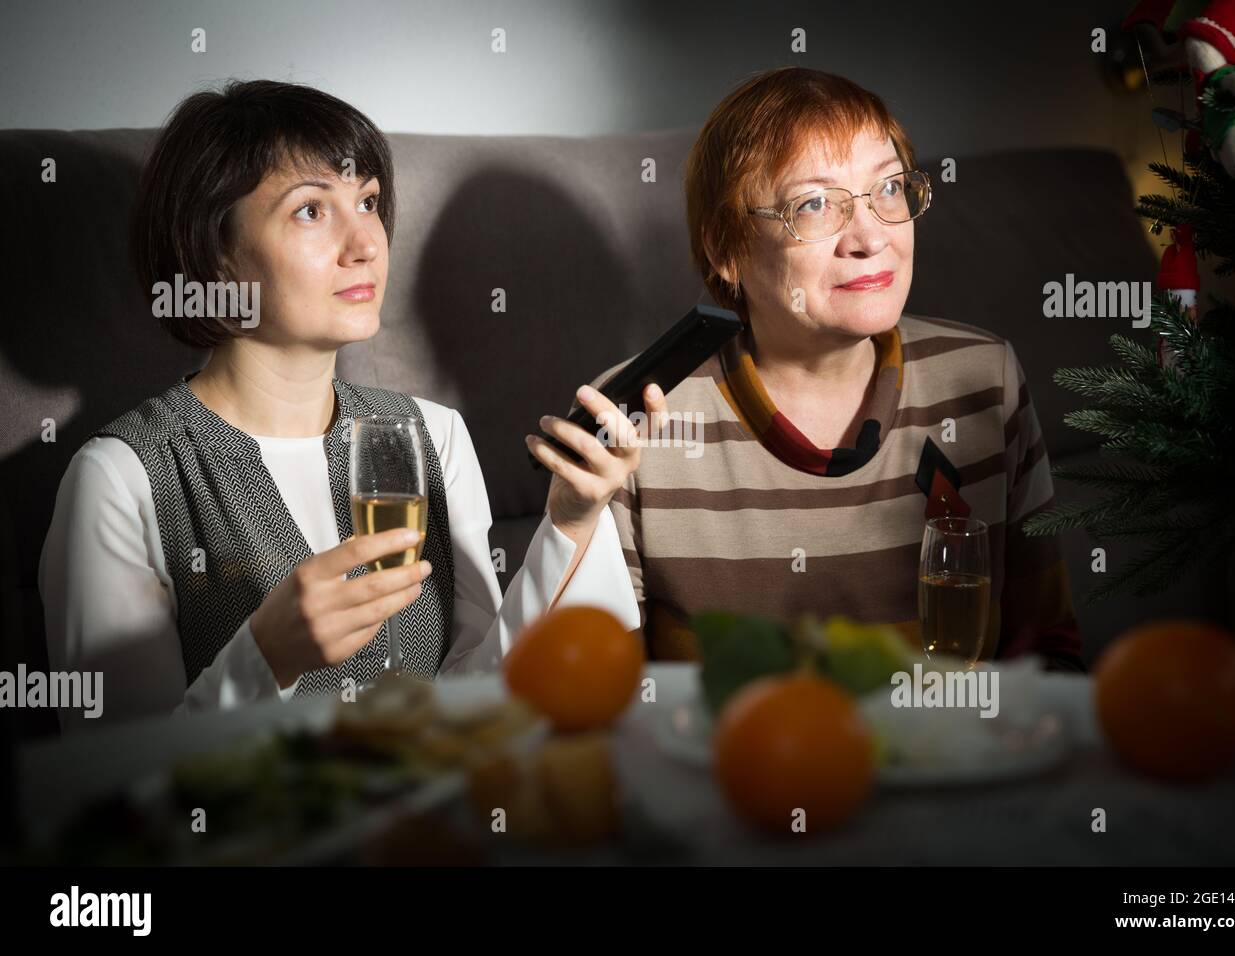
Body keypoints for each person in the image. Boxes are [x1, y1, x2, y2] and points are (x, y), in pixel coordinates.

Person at [38, 80, 665, 731]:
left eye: (367, 201)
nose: (365, 241)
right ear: (215, 254)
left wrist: (568, 524)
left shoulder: (434, 435)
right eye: (311, 210)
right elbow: (117, 779)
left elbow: (481, 696)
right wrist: (266, 656)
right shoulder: (119, 480)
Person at [602, 67, 1084, 670]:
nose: (869, 238)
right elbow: (601, 704)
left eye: (888, 190)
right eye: (814, 204)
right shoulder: (636, 417)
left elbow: (1046, 655)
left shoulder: (986, 377)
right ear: (727, 251)